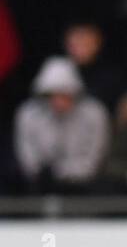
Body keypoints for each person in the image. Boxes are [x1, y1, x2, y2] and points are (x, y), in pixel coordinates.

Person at [14, 56, 111, 192]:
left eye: (64, 94)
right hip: (39, 187)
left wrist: (62, 173)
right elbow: (28, 160)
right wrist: (45, 173)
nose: (58, 102)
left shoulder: (94, 114)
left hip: (83, 188)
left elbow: (93, 161)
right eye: (53, 95)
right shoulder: (28, 114)